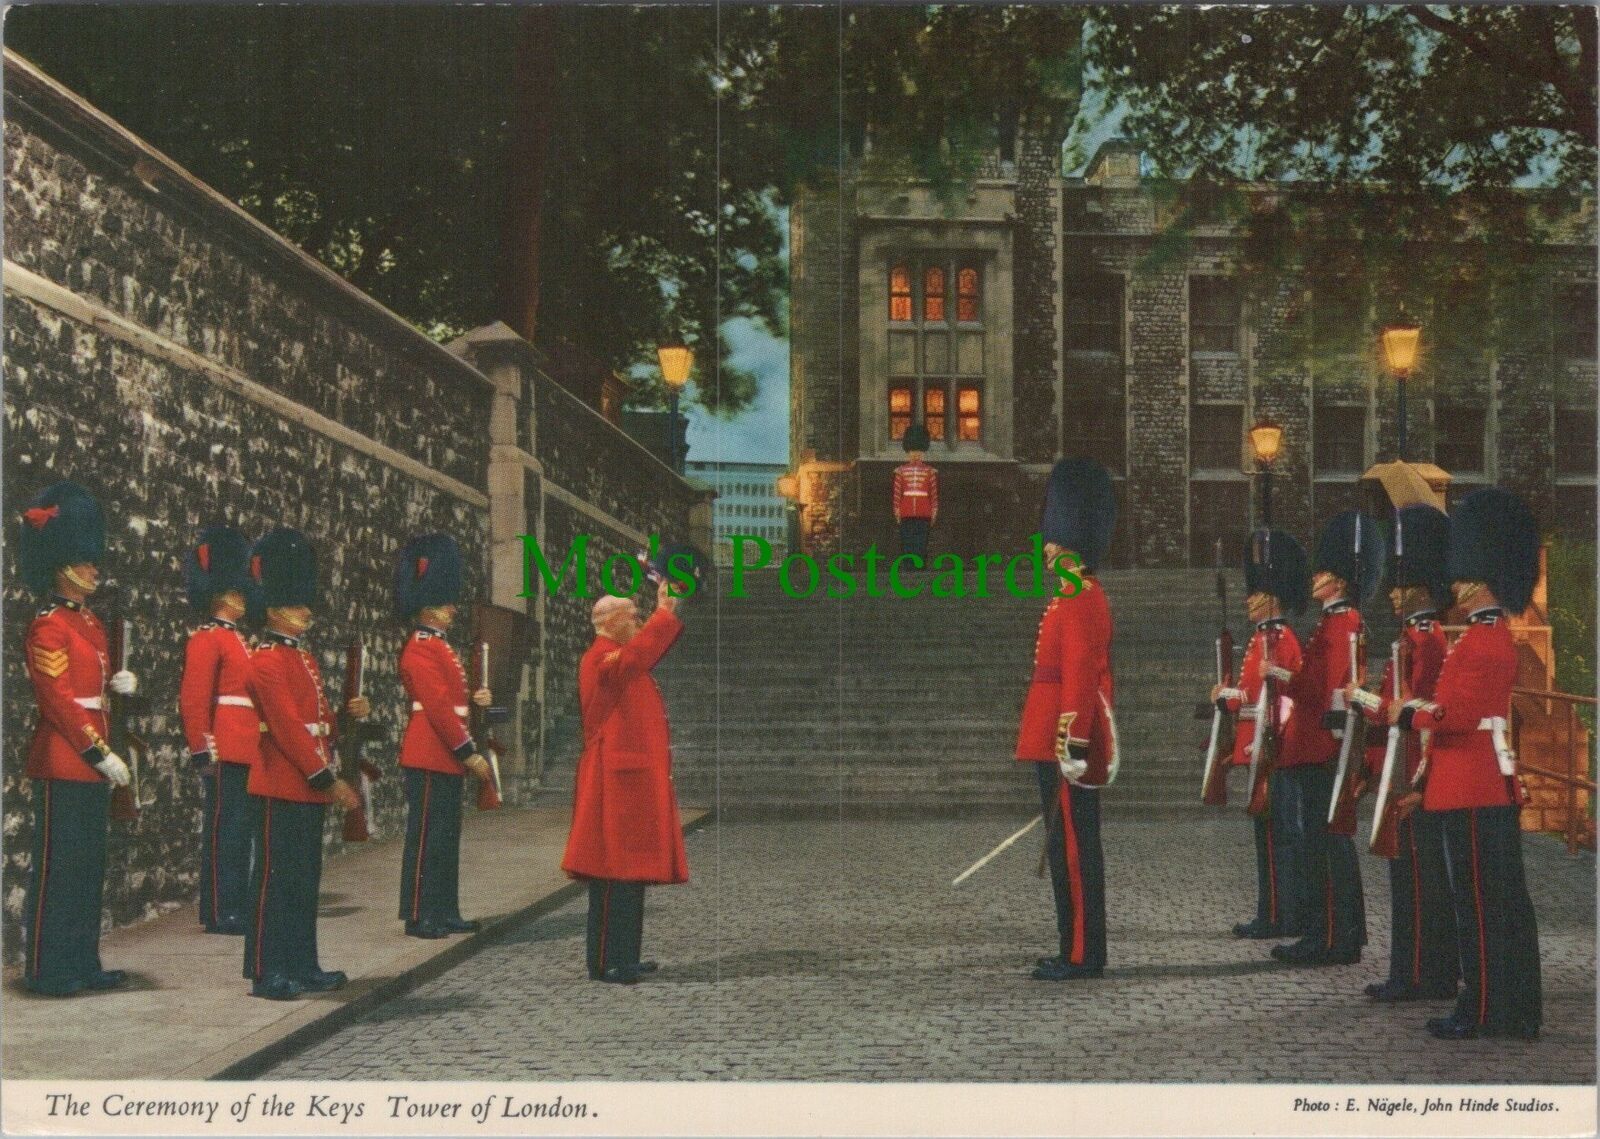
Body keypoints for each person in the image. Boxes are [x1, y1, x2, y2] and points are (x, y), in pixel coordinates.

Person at [1390, 487, 1542, 1041]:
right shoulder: (1483, 638)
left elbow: (1454, 715)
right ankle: (1511, 1007)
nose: (1452, 585)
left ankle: (1483, 1009)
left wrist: (1409, 712)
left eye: (1460, 577)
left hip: (1472, 785)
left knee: (1478, 907)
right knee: (1495, 903)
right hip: (1472, 782)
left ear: (1479, 581)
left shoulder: (1482, 643)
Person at [17, 481, 136, 996]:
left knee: (88, 869)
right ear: (62, 565)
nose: (94, 569)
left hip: (94, 756)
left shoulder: (90, 623)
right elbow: (58, 701)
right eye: (85, 562)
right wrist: (97, 752)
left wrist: (119, 687)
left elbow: (90, 689)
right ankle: (48, 969)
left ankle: (83, 960)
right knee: (58, 870)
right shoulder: (47, 626)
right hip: (66, 757)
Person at [243, 527, 367, 1000]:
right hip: (281, 781)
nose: (307, 613)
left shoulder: (303, 658)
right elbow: (288, 728)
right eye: (298, 605)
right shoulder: (266, 660)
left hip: (305, 780)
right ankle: (264, 970)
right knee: (274, 881)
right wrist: (326, 779)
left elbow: (318, 721)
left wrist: (348, 715)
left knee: (303, 881)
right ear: (274, 608)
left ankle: (301, 962)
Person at [1346, 504, 1456, 1002]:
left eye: (1400, 584)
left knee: (1417, 877)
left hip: (1416, 770)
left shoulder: (1425, 640)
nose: (1392, 593)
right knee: (1410, 873)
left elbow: (1407, 712)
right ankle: (1417, 969)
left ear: (1421, 590)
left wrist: (1362, 698)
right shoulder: (1414, 637)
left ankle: (1419, 973)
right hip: (1404, 764)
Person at [1015, 458, 1118, 981]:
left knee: (1075, 849)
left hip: (1065, 740)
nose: (1047, 547)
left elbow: (1079, 674)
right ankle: (1075, 946)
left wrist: (1072, 742)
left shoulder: (1078, 596)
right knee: (1068, 847)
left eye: (1054, 539)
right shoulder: (1070, 594)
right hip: (1055, 736)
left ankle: (1082, 953)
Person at [1270, 510, 1381, 967]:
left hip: (1323, 745)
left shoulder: (1338, 624)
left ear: (1336, 579)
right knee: (1329, 842)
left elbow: (1317, 689)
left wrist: (1284, 676)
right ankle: (1342, 932)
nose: (1313, 580)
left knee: (1324, 844)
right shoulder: (1336, 621)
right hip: (1322, 743)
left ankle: (1330, 935)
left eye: (1321, 573)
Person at [561, 580, 687, 984]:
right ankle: (605, 960)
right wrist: (664, 613)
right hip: (612, 782)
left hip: (628, 779)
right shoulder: (601, 658)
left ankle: (625, 956)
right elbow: (637, 656)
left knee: (630, 874)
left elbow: (640, 656)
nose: (638, 622)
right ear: (610, 622)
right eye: (632, 617)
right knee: (613, 875)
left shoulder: (619, 656)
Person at [393, 533, 493, 939]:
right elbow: (435, 707)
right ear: (428, 605)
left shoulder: (440, 646)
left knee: (446, 839)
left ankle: (445, 908)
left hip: (445, 753)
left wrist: (477, 698)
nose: (453, 609)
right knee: (427, 840)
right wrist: (466, 750)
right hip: (431, 751)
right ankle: (419, 914)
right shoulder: (419, 647)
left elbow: (452, 701)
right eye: (446, 602)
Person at [1212, 528, 1307, 940]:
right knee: (1265, 836)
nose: (1249, 600)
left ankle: (1283, 914)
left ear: (1272, 596)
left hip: (1274, 747)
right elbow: (1250, 696)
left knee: (1280, 837)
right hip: (1255, 746)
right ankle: (1269, 910)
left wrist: (1273, 676)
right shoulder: (1258, 640)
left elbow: (1292, 690)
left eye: (1255, 594)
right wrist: (1225, 695)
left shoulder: (1282, 639)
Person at [180, 525, 262, 935]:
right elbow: (194, 700)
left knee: (239, 832)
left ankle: (234, 903)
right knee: (223, 832)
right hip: (225, 748)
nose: (244, 596)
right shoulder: (207, 639)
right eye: (238, 589)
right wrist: (203, 749)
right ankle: (219, 908)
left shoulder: (238, 640)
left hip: (245, 748)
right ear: (222, 592)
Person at [892, 423, 938, 559]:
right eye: (913, 451)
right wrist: (897, 510)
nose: (916, 454)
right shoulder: (901, 471)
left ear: (923, 452)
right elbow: (897, 493)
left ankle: (920, 566)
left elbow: (933, 495)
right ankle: (908, 566)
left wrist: (934, 511)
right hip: (906, 511)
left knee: (921, 542)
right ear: (908, 452)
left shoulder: (930, 472)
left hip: (924, 512)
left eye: (919, 451)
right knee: (907, 541)